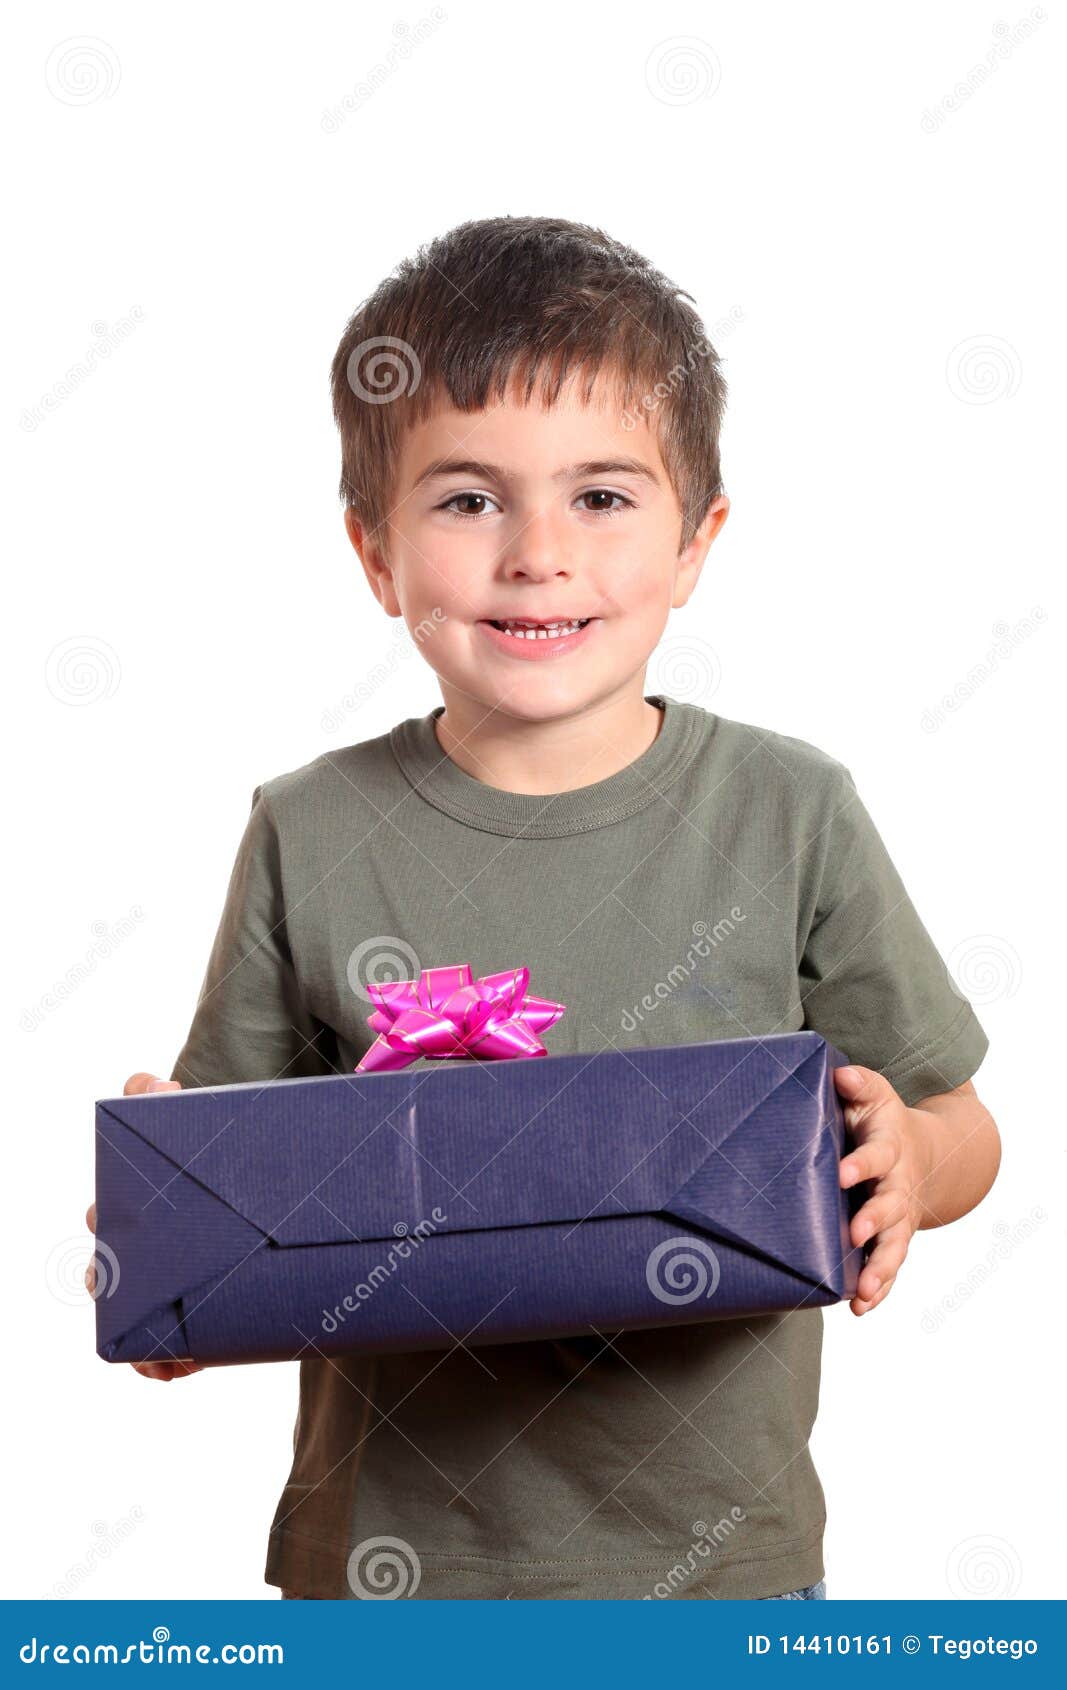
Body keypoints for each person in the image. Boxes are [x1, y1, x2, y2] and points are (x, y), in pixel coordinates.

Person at [85, 216, 1000, 1600]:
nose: (536, 554)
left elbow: (959, 1118)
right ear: (374, 552)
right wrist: (165, 1261)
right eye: (465, 500)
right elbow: (227, 1188)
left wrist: (915, 1164)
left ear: (696, 543)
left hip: (716, 1578)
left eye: (603, 497)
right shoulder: (307, 827)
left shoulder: (789, 810)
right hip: (383, 1579)